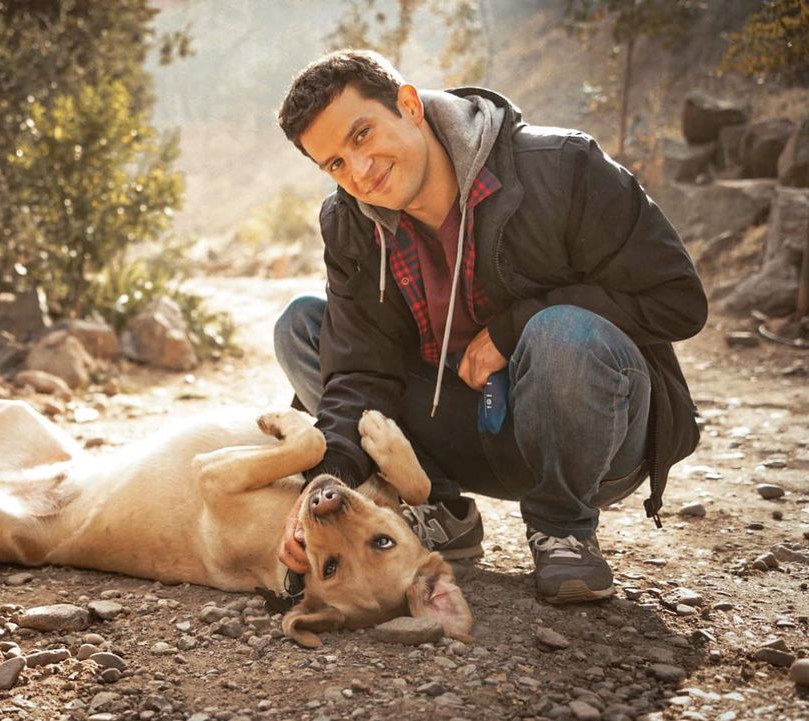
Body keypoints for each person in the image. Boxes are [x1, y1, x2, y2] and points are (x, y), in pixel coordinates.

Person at [272, 50, 707, 603]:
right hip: (460, 434)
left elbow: (678, 300)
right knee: (303, 326)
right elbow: (360, 371)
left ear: (409, 105)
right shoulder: (350, 222)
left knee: (560, 332)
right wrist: (324, 485)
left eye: (362, 135)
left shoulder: (562, 165)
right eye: (335, 163)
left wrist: (513, 329)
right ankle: (439, 508)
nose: (359, 171)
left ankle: (562, 529)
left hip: (590, 434)